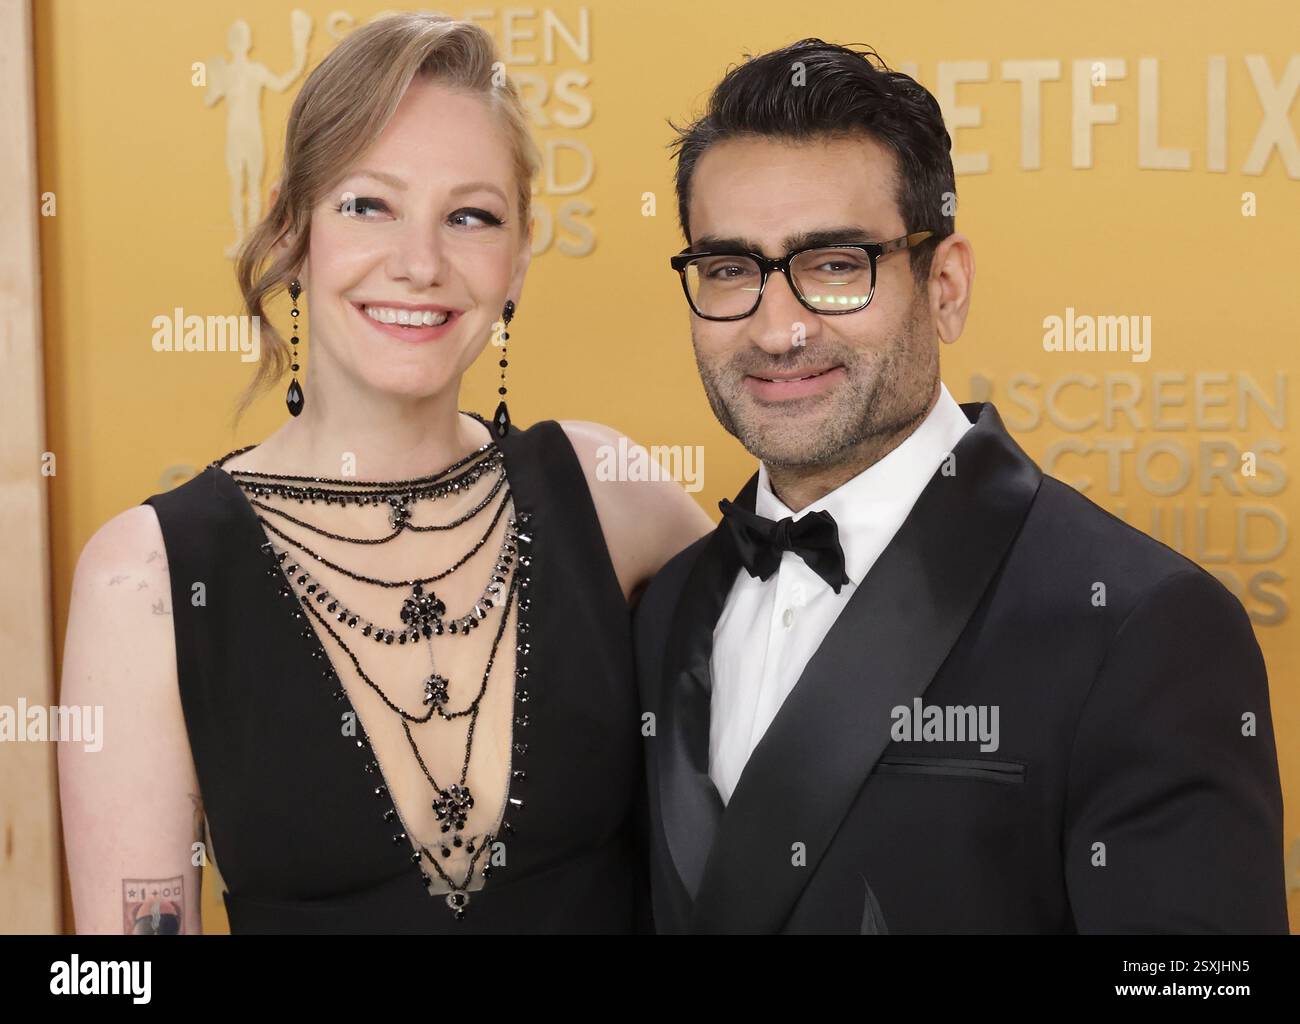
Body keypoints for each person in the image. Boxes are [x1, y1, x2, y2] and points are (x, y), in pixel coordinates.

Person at [58, 12, 711, 935]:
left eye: (471, 216)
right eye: (369, 204)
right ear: (293, 229)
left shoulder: (612, 498)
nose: (419, 263)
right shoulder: (147, 581)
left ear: (519, 259)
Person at [633, 38, 1289, 934]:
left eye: (834, 267)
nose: (776, 327)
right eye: (731, 269)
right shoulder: (663, 606)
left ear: (944, 287)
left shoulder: (1142, 628)